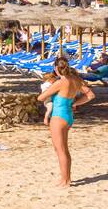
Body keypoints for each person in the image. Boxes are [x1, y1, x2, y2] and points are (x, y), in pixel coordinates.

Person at [37, 56, 95, 187]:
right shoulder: (76, 80)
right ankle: (66, 178)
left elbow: (41, 98)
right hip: (68, 116)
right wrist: (76, 103)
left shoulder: (60, 82)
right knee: (64, 149)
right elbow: (90, 95)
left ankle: (65, 180)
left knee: (60, 150)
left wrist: (49, 87)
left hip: (58, 116)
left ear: (56, 68)